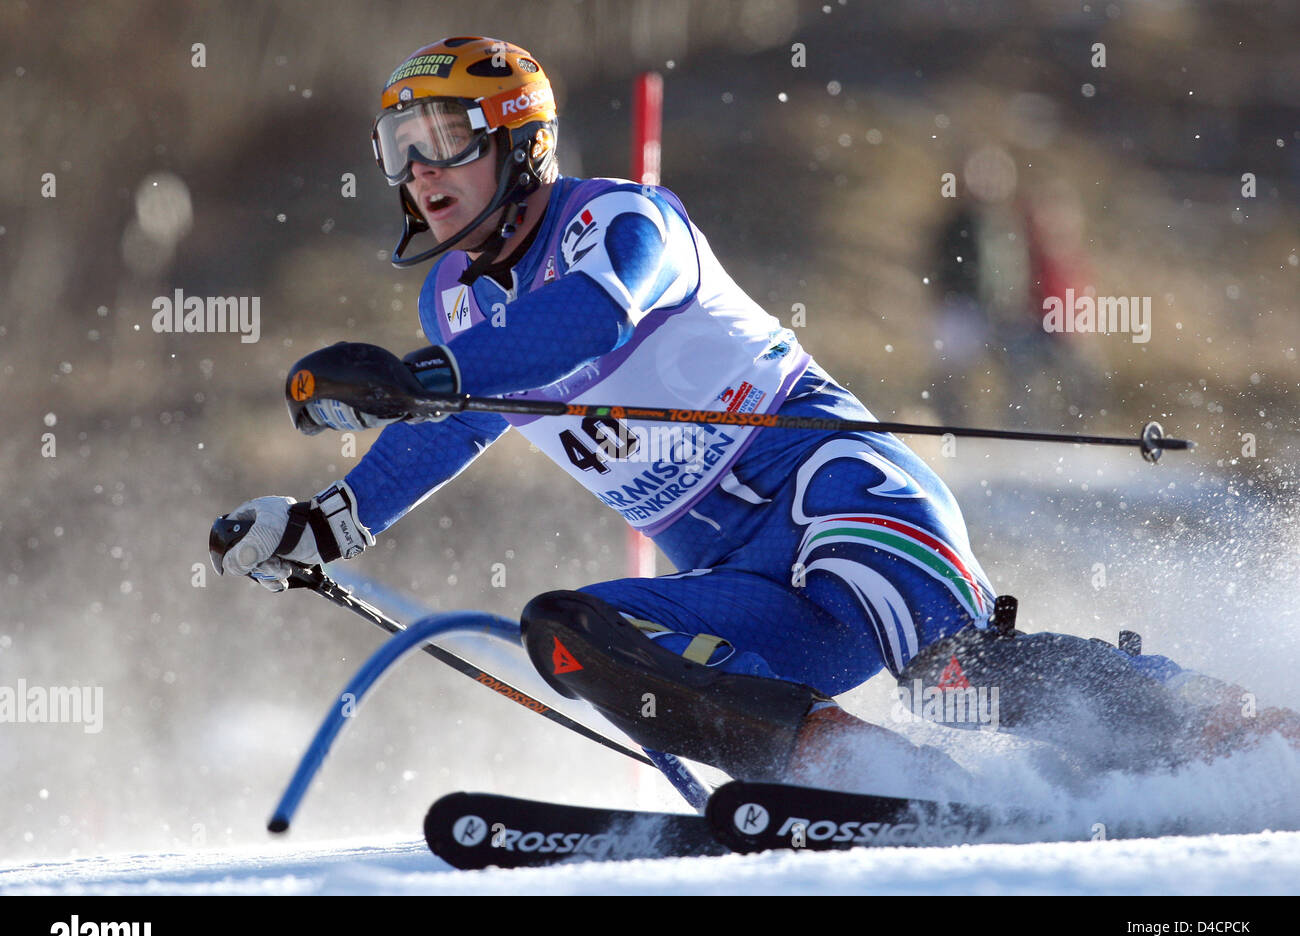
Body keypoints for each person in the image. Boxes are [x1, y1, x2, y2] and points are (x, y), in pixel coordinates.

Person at [212, 37, 1295, 790]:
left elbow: (590, 320)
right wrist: (327, 524)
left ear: (517, 140)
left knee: (959, 682)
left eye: (444, 139)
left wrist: (435, 373)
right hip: (739, 575)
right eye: (400, 151)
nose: (419, 174)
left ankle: (1238, 731)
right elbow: (459, 422)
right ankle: (874, 782)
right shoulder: (451, 301)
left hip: (834, 489)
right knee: (575, 636)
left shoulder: (620, 221)